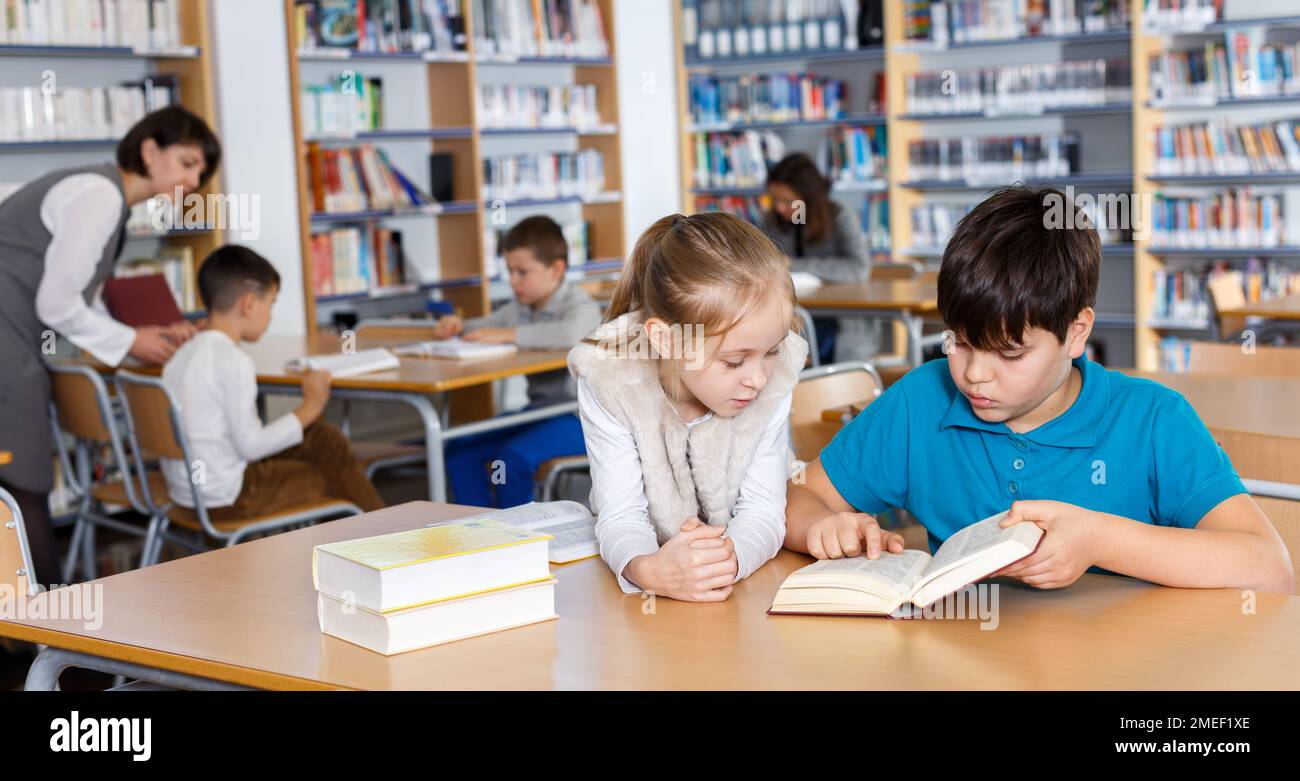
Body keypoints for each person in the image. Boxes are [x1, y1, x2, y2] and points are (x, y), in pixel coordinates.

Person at [784, 186, 1294, 594]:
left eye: (1009, 354)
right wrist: (820, 528)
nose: (975, 375)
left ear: (1076, 332)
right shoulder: (922, 402)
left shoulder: (1153, 420)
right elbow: (793, 497)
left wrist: (1100, 540)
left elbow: (1270, 569)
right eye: (959, 343)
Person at [0, 105, 221, 586]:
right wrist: (132, 341)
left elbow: (84, 300)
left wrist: (145, 335)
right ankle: (53, 642)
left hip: (14, 340)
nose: (195, 179)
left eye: (201, 171)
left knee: (16, 496)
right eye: (187, 162)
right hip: (7, 348)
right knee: (24, 494)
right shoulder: (100, 196)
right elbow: (57, 305)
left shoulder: (106, 199)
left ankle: (37, 640)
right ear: (148, 149)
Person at [568, 212, 809, 602]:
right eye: (733, 362)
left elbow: (765, 507)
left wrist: (727, 561)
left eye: (772, 351)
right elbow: (621, 514)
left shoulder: (772, 373)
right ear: (666, 341)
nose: (758, 379)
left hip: (746, 593)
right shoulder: (610, 377)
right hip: (659, 594)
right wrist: (647, 570)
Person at [160, 245, 384, 526]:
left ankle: (379, 534)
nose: (271, 316)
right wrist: (310, 407)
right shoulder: (233, 361)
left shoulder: (180, 356)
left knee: (323, 439)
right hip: (228, 498)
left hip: (189, 490)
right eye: (271, 304)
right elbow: (251, 447)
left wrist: (307, 418)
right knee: (328, 474)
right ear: (249, 304)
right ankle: (388, 541)